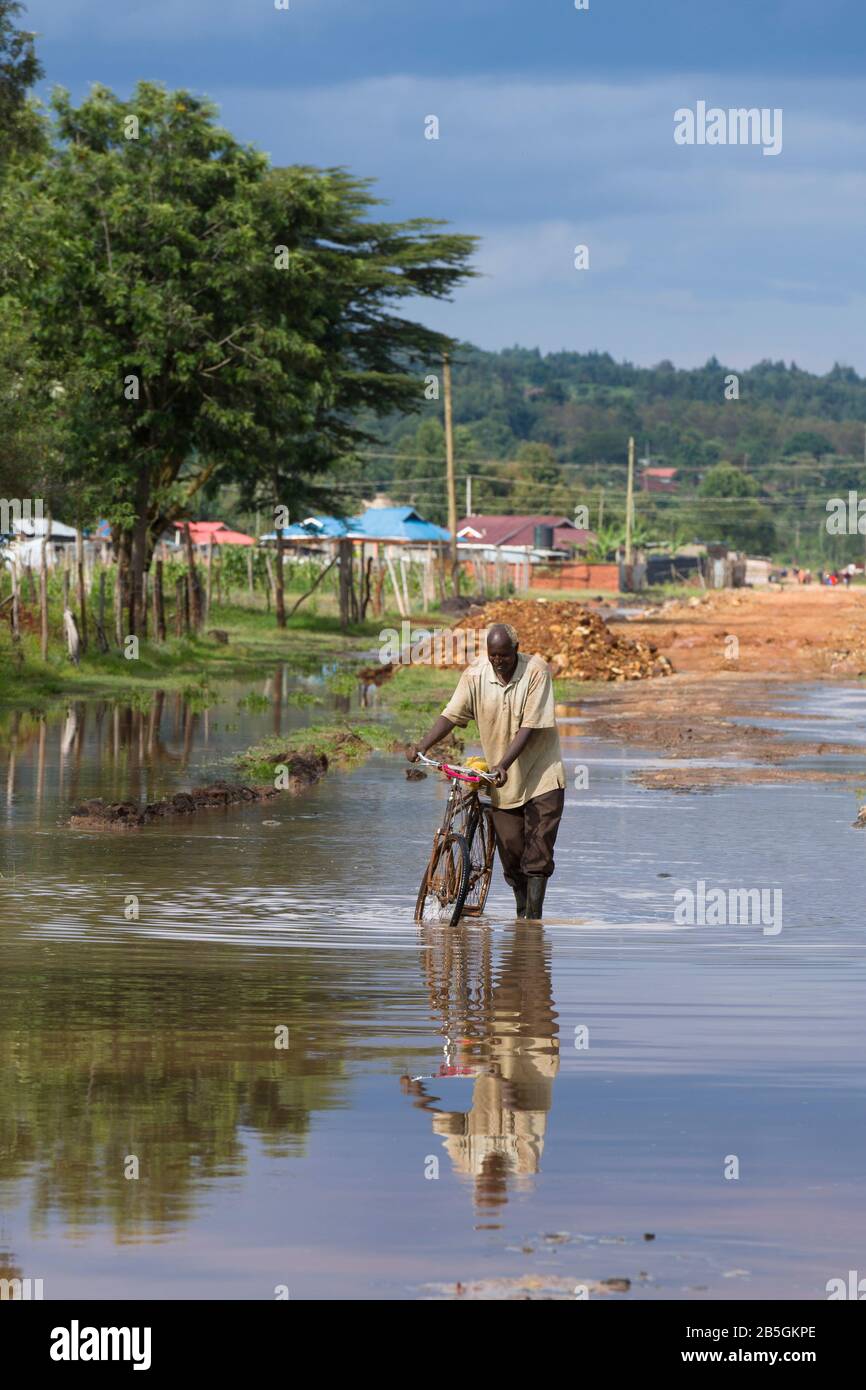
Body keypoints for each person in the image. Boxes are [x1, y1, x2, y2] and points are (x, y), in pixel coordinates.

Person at [408, 623, 566, 921]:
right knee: (511, 852)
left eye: (504, 656)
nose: (498, 662)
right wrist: (422, 747)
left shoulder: (536, 671)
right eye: (493, 655)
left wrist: (503, 763)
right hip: (501, 781)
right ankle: (522, 915)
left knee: (538, 853)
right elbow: (451, 714)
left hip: (541, 774)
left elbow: (530, 727)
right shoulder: (475, 675)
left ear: (516, 651)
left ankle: (532, 923)